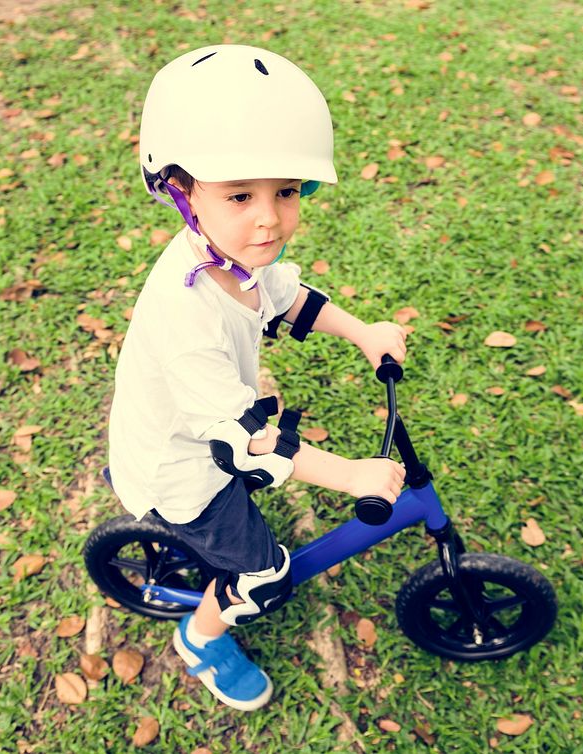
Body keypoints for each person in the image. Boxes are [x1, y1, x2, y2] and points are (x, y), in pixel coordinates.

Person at [107, 44, 407, 711]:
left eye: (287, 191)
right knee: (266, 575)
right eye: (240, 194)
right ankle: (199, 639)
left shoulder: (229, 255)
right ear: (180, 190)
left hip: (199, 429)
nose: (269, 217)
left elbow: (288, 298)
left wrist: (362, 332)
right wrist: (353, 474)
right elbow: (247, 442)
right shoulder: (188, 317)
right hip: (182, 470)